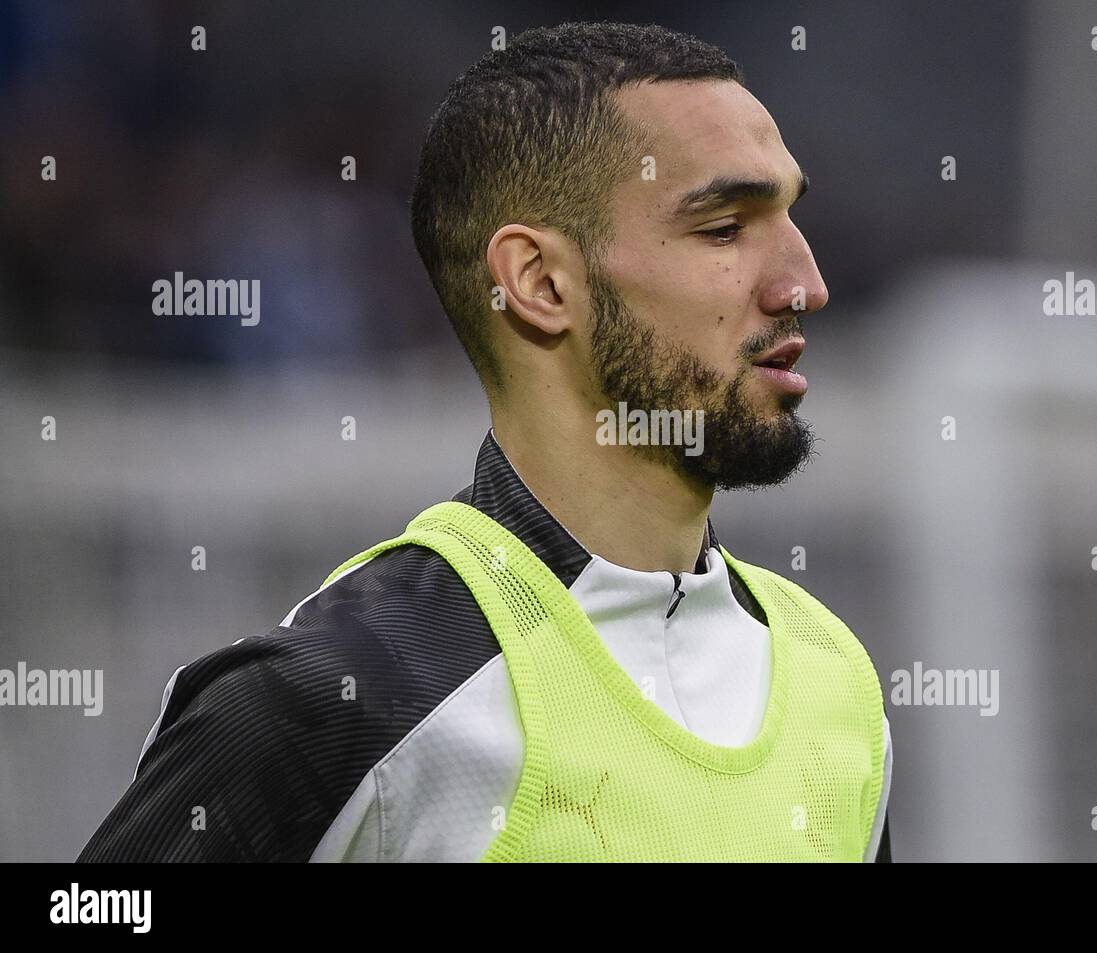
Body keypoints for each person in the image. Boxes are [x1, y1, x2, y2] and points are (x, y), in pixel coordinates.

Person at [78, 20, 893, 863]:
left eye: (790, 216)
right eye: (724, 228)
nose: (806, 284)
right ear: (539, 284)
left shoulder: (836, 679)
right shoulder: (342, 694)